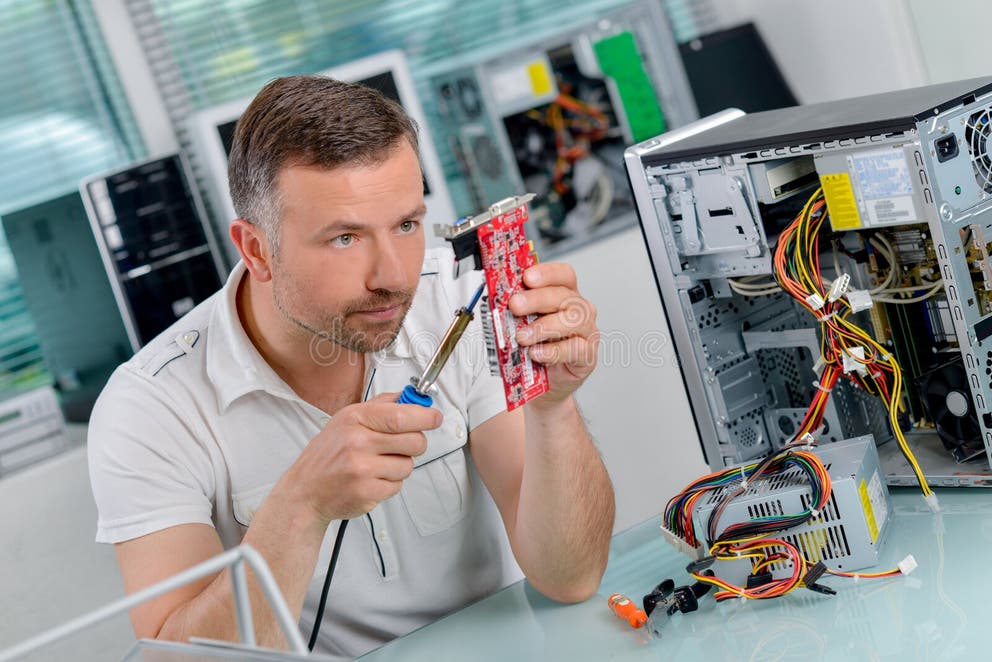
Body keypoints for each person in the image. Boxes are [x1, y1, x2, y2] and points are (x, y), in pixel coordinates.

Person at [88, 75, 615, 658]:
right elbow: (176, 661)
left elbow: (571, 576)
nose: (392, 275)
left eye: (407, 225)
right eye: (345, 238)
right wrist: (302, 506)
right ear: (257, 250)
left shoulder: (455, 301)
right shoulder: (149, 407)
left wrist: (553, 405)